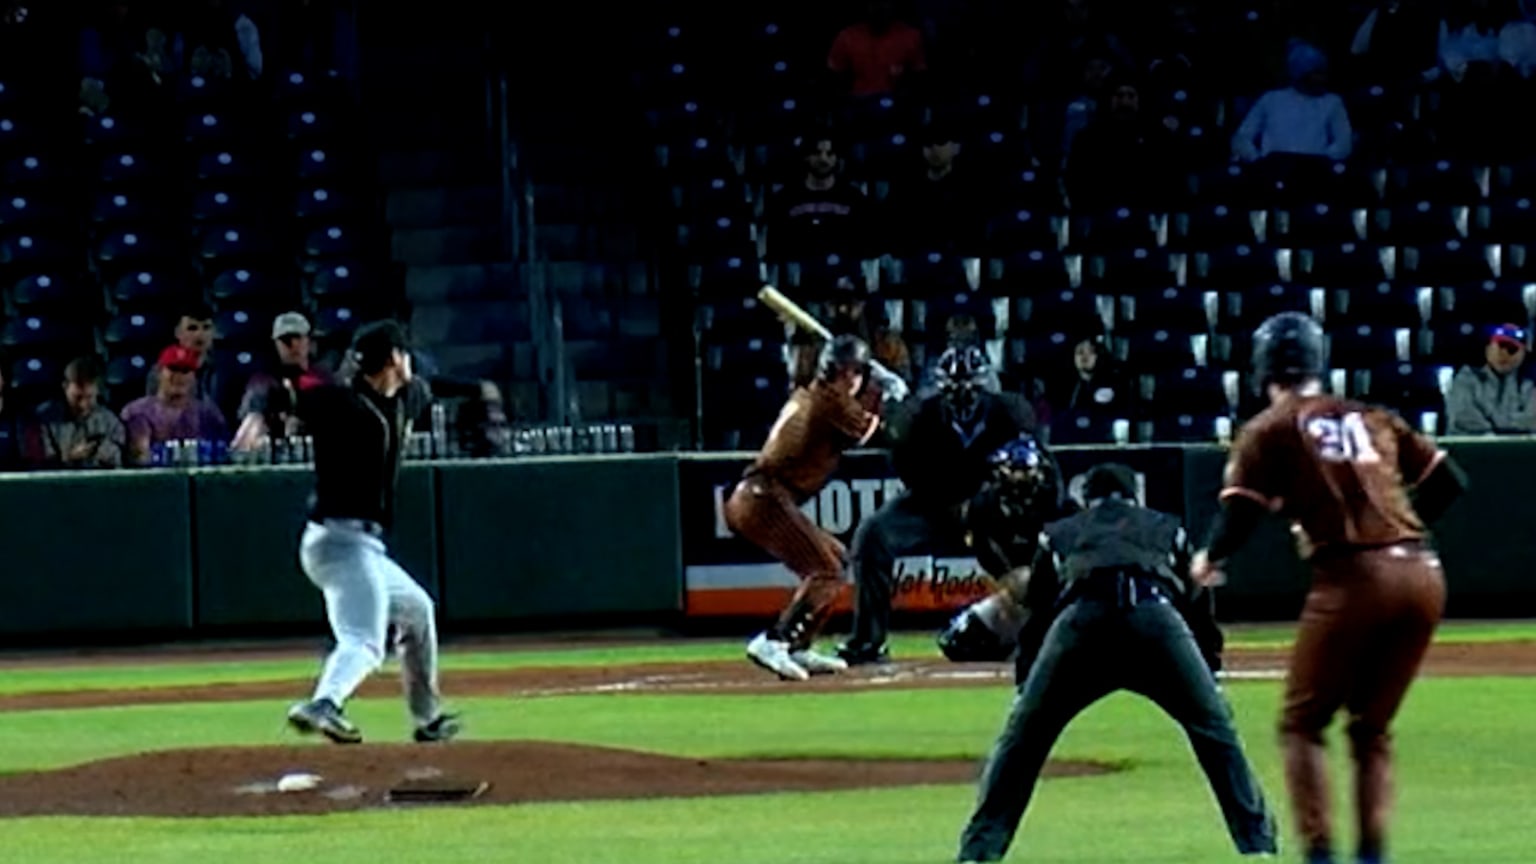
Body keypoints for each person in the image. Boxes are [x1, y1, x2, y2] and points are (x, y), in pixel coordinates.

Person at [1193, 312, 1468, 864]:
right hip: (1422, 575)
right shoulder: (1372, 416)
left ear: (1262, 368)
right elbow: (1448, 481)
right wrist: (1404, 532)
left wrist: (1210, 557)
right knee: (1371, 729)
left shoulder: (1270, 428)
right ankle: (1372, 855)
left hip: (1352, 576)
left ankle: (1320, 856)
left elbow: (1240, 513)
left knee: (1301, 724)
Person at [956, 463, 1279, 864]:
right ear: (1134, 495)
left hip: (1080, 625)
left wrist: (1027, 684)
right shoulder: (1166, 526)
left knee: (1022, 741)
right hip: (1155, 620)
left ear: (1087, 497)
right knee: (1216, 731)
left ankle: (979, 852)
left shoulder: (1060, 532)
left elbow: (1038, 615)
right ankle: (1257, 846)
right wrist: (1209, 669)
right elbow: (1196, 602)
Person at [284, 320, 460, 745]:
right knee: (363, 640)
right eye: (403, 352)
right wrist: (262, 407)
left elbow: (436, 384)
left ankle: (427, 719)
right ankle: (325, 703)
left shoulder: (405, 396)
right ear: (395, 359)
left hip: (362, 546)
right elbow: (292, 398)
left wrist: (482, 390)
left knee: (418, 611)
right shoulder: (344, 404)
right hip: (339, 542)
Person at [839, 345, 1037, 665]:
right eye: (955, 384)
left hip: (993, 506)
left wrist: (993, 501)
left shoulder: (1011, 412)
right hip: (932, 503)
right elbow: (905, 465)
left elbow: (1034, 462)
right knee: (872, 533)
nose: (963, 391)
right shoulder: (920, 416)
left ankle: (1042, 632)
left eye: (971, 382)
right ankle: (868, 641)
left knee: (1034, 559)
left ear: (985, 382)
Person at [725, 335, 889, 681]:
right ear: (847, 372)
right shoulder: (831, 401)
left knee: (837, 560)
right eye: (855, 373)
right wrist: (889, 394)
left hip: (760, 495)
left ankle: (799, 644)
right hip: (764, 496)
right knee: (826, 570)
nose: (857, 380)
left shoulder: (813, 391)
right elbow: (879, 434)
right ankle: (775, 640)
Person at [937, 433, 1072, 667]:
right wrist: (1006, 582)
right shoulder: (983, 506)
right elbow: (985, 552)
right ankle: (1018, 645)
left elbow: (1076, 557)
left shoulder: (1060, 506)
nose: (1021, 478)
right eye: (1015, 470)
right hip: (1016, 591)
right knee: (957, 641)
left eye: (1026, 470)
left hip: (1061, 593)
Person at [1445, 322, 1536, 435]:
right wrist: (1500, 432)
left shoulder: (1529, 386)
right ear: (1488, 350)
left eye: (1512, 350)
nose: (1503, 354)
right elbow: (1463, 417)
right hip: (1471, 449)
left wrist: (1496, 428)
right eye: (1499, 347)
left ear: (1522, 355)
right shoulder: (1465, 379)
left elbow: (1531, 421)